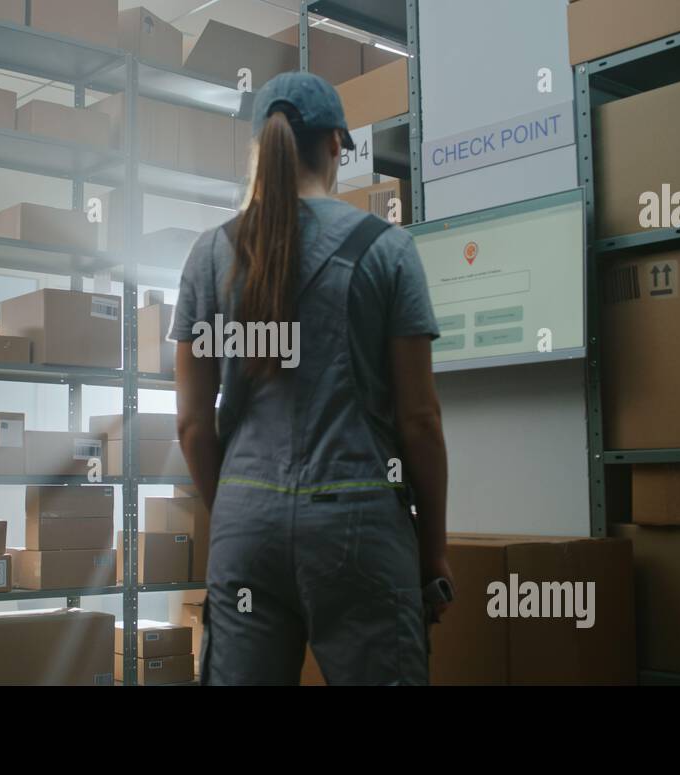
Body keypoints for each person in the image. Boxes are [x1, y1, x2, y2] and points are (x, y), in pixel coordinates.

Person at [170, 71, 450, 686]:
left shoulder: (209, 254)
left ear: (259, 148)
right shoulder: (388, 250)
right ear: (335, 145)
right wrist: (431, 555)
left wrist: (241, 510)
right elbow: (420, 422)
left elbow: (192, 425)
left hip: (246, 533)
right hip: (358, 527)